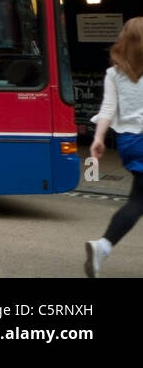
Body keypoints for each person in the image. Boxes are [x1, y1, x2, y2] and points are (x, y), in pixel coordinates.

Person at [85, 17, 143, 277]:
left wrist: (98, 138)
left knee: (138, 200)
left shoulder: (114, 73)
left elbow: (107, 108)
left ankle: (104, 246)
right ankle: (103, 246)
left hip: (130, 141)